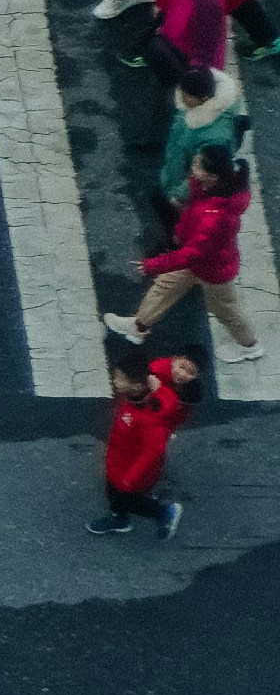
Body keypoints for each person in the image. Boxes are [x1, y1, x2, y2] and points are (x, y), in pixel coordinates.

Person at [117, 144, 256, 354]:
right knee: (164, 286)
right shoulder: (211, 190)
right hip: (202, 262)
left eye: (198, 165)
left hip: (212, 271)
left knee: (225, 309)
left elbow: (192, 253)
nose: (193, 167)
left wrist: (154, 264)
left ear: (213, 176)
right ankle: (139, 326)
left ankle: (249, 345)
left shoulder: (216, 217)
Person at [98, 345, 198, 540]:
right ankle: (120, 518)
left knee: (126, 499)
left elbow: (153, 452)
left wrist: (130, 479)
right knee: (113, 493)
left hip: (129, 470)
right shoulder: (136, 395)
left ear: (136, 386)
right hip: (118, 462)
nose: (115, 382)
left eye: (119, 379)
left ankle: (163, 512)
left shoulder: (152, 417)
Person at [159, 49, 248, 212]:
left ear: (204, 98)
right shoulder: (193, 107)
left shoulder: (217, 136)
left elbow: (203, 173)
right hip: (173, 175)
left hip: (183, 194)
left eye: (186, 95)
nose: (181, 97)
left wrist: (176, 194)